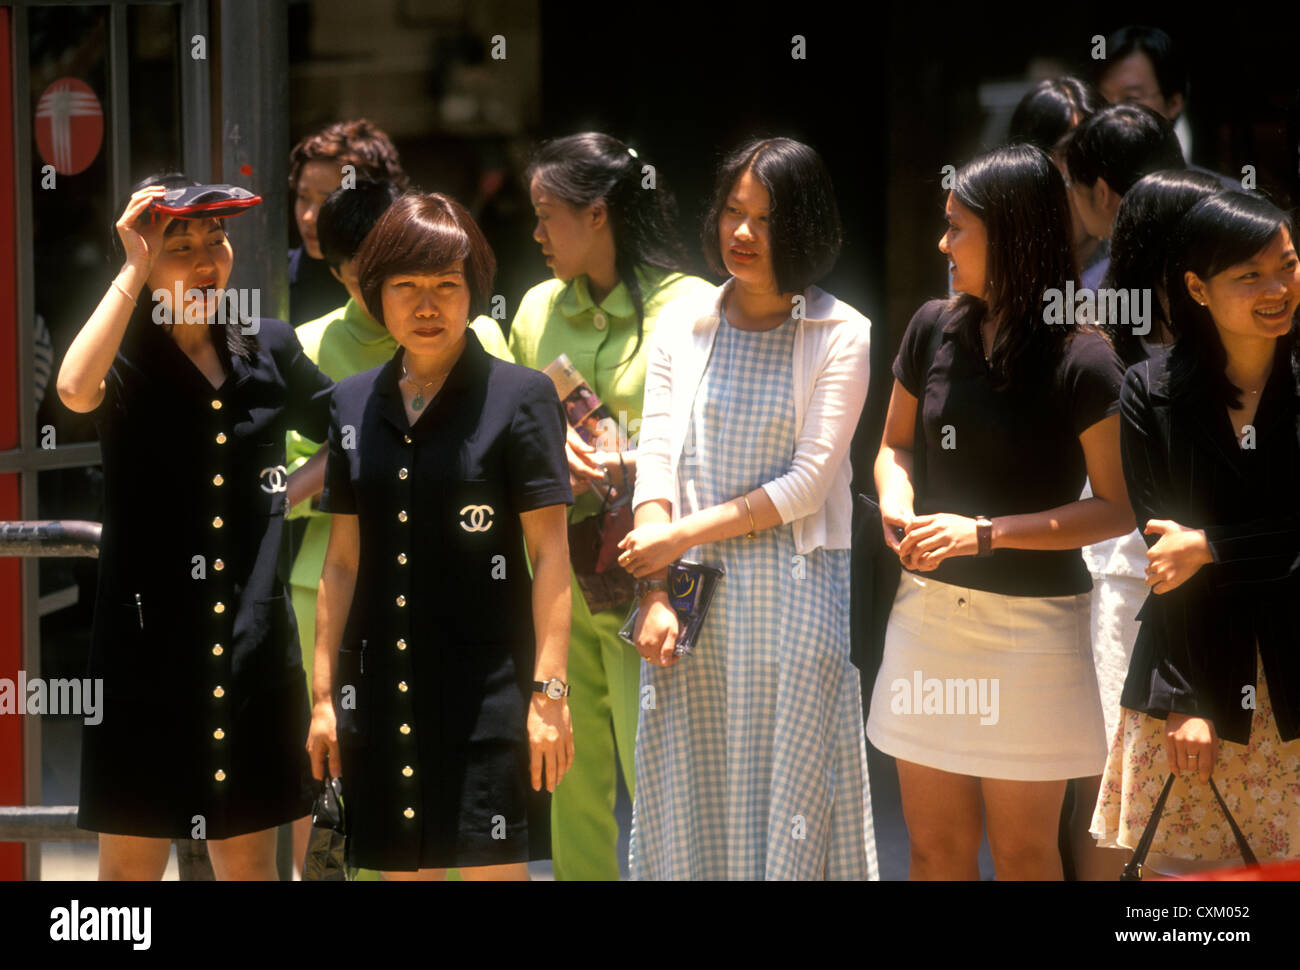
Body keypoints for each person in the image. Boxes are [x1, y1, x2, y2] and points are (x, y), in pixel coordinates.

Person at [865, 145, 1133, 880]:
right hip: (928, 618)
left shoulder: (1085, 358)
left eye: (957, 228)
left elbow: (1116, 508)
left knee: (1022, 854)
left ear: (1013, 234)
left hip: (1036, 632)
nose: (941, 244)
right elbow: (894, 447)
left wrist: (983, 535)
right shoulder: (932, 327)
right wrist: (897, 503)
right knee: (934, 851)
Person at [56, 174, 334, 880]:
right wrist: (131, 268)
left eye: (217, 240)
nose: (209, 261)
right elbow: (72, 390)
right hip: (144, 659)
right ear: (147, 256)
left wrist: (290, 490)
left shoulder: (261, 343)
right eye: (182, 246)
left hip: (252, 652)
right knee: (126, 881)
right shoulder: (124, 354)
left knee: (248, 871)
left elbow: (357, 435)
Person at [619, 137, 878, 879]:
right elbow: (656, 455)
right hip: (690, 608)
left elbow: (806, 485)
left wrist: (678, 540)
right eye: (733, 212)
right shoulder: (683, 321)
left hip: (794, 601)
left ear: (804, 228)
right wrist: (655, 590)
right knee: (687, 803)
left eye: (765, 220)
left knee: (791, 807)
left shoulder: (841, 332)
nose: (742, 233)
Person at [306, 192, 575, 879]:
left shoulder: (521, 397)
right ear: (376, 295)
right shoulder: (350, 402)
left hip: (492, 694)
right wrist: (323, 699)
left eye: (447, 286)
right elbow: (340, 564)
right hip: (384, 687)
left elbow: (549, 556)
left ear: (474, 293)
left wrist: (549, 696)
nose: (427, 306)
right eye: (406, 286)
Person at [506, 132, 713, 880]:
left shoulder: (690, 306)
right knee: (569, 774)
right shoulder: (534, 309)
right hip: (562, 572)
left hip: (654, 577)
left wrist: (633, 461)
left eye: (546, 214)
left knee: (654, 770)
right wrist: (547, 449)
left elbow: (718, 439)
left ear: (598, 215)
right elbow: (513, 417)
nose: (535, 233)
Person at [1091, 191, 1300, 874]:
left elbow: (1191, 551)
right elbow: (1165, 561)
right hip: (1196, 669)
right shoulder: (1150, 391)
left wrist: (1211, 546)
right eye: (1249, 275)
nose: (1277, 290)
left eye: (1288, 266)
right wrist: (1188, 702)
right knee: (1187, 887)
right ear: (1196, 289)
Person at [1069, 169, 1223, 879]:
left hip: (1224, 594)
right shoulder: (1112, 360)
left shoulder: (1239, 348)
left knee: (1215, 823)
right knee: (1126, 804)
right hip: (1133, 591)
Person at [288, 119, 408, 326]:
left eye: (328, 201)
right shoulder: (271, 279)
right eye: (303, 196)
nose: (309, 216)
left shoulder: (408, 282)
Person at [1064, 103, 1186, 290]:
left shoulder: (1097, 292)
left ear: (1102, 193)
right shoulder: (1217, 252)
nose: (1071, 195)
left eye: (1071, 184)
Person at [1007, 77, 1105, 282]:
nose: (1086, 168)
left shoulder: (1132, 257)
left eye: (1095, 149)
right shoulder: (990, 249)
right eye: (1070, 152)